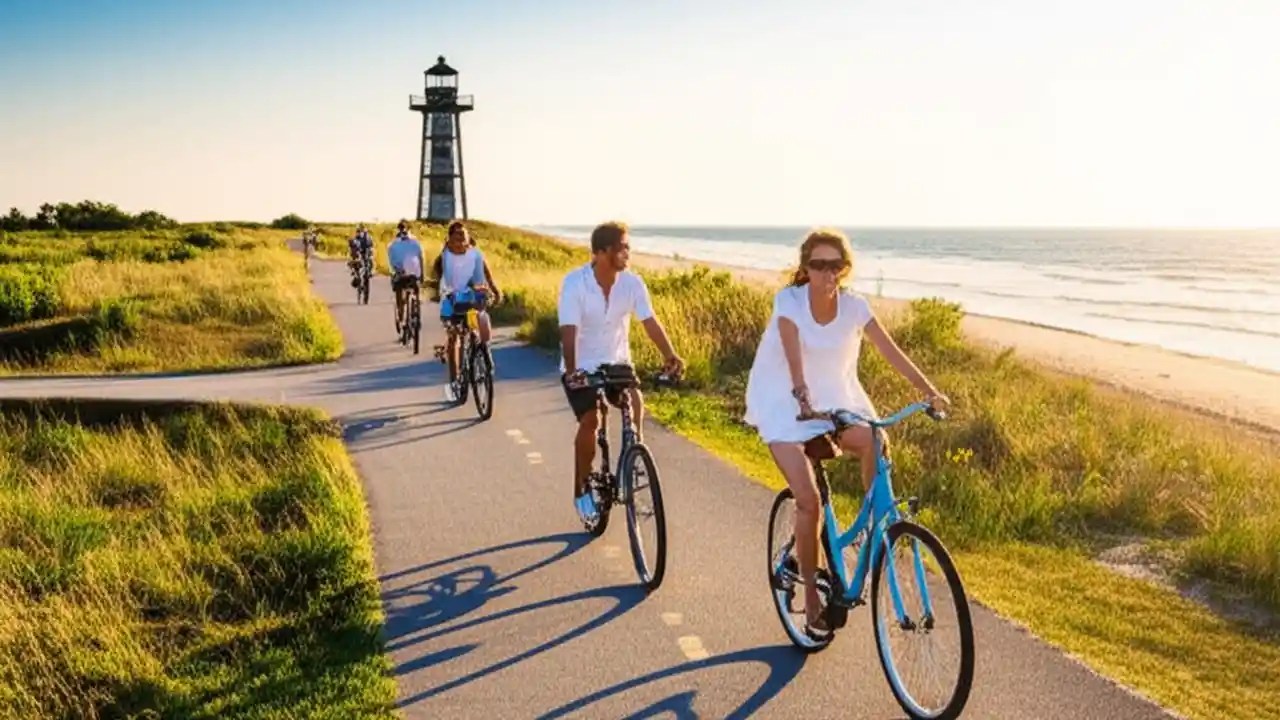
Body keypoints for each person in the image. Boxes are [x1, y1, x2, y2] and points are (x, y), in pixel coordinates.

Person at [743, 228, 949, 639]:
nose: (826, 273)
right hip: (786, 404)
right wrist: (800, 393)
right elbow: (791, 348)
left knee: (876, 441)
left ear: (844, 269)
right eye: (818, 265)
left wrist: (928, 391)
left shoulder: (854, 307)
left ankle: (872, 530)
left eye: (835, 265)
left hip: (837, 401)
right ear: (805, 269)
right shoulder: (789, 301)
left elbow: (890, 350)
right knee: (808, 501)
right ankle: (813, 603)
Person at [557, 220, 685, 526]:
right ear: (601, 252)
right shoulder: (576, 284)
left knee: (634, 399)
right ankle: (582, 489)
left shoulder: (632, 284)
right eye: (622, 247)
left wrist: (670, 354)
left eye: (628, 247)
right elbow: (568, 330)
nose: (628, 253)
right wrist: (573, 371)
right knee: (592, 419)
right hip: (582, 364)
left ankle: (633, 454)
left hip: (616, 361)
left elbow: (650, 322)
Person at [429, 221, 503, 396]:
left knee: (480, 325)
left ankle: (484, 353)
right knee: (455, 338)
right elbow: (443, 282)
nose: (461, 239)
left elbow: (487, 276)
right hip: (453, 301)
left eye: (463, 235)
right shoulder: (444, 259)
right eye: (457, 236)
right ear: (450, 239)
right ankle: (455, 379)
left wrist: (495, 291)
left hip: (473, 299)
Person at [387, 221, 425, 333]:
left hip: (401, 275)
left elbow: (392, 263)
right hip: (414, 275)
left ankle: (401, 317)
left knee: (400, 295)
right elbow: (421, 258)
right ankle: (416, 309)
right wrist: (422, 274)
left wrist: (395, 271)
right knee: (415, 290)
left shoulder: (393, 245)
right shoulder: (416, 243)